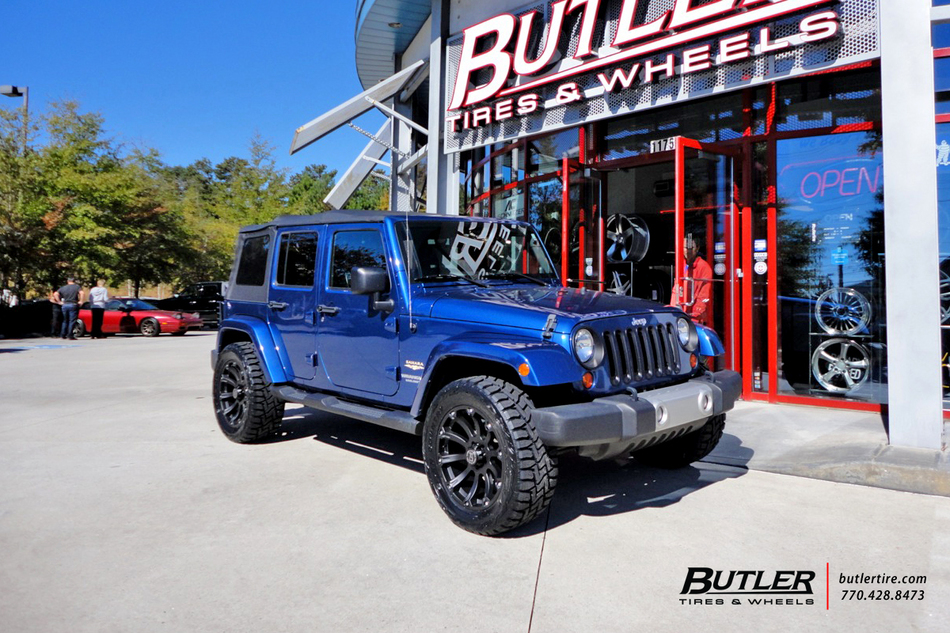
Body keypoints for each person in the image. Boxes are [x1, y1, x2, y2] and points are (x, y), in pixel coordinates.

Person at [671, 237, 713, 327]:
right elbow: (676, 290)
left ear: (697, 248)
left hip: (695, 319)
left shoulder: (704, 267)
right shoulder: (681, 264)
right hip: (680, 315)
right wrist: (673, 310)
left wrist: (694, 315)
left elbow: (704, 296)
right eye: (685, 247)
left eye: (691, 248)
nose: (688, 251)